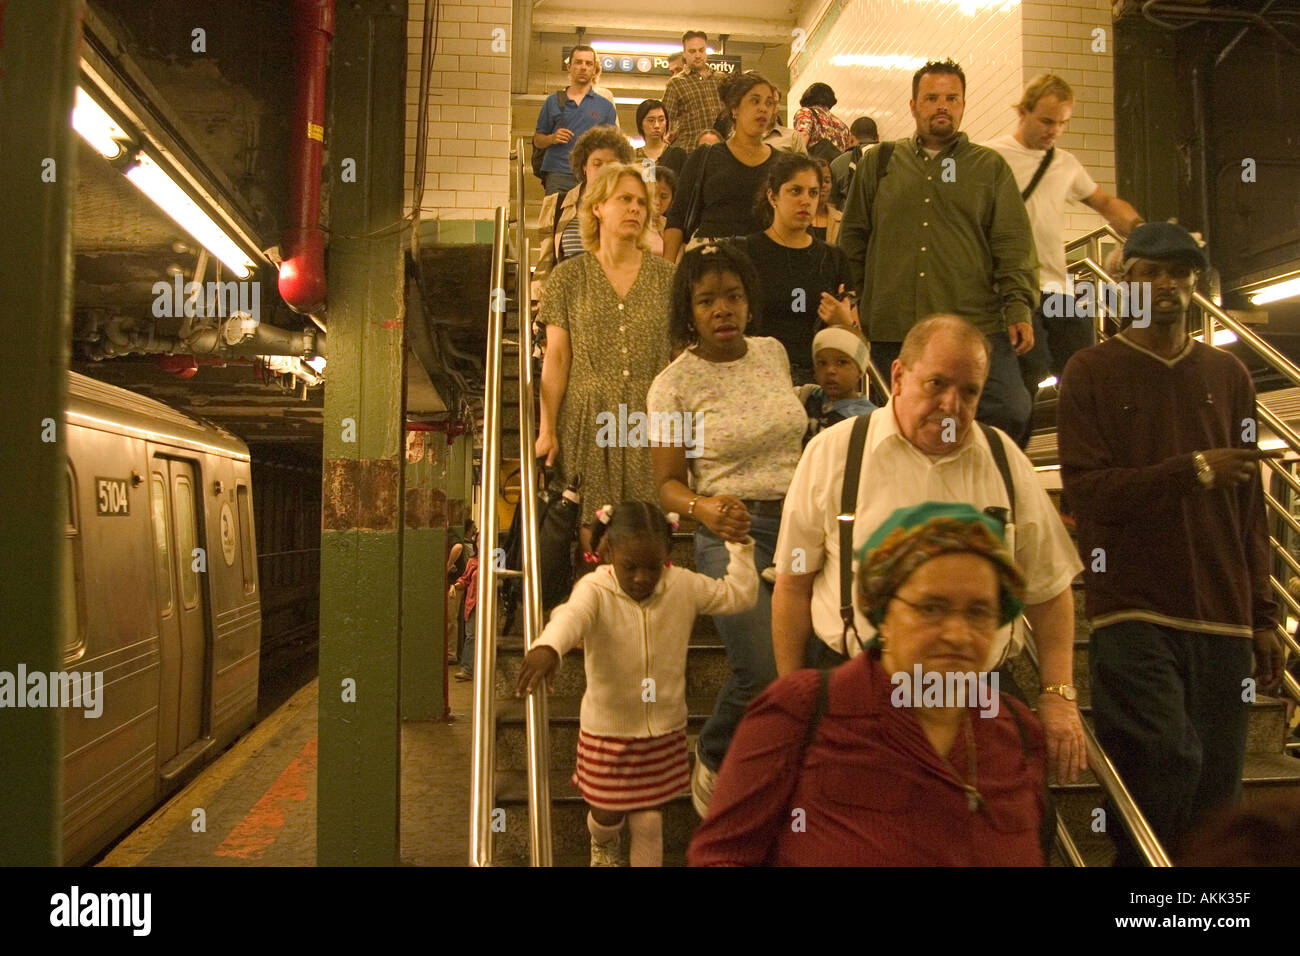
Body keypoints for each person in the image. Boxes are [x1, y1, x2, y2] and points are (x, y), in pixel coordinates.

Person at [771, 314, 1087, 783]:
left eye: (969, 392)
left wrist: (1058, 694)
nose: (951, 405)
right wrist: (790, 702)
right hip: (858, 691)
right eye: (937, 383)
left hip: (979, 695)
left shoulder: (1004, 459)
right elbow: (793, 588)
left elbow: (1049, 588)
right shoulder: (834, 453)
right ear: (897, 376)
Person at [1057, 221, 1284, 865]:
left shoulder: (1231, 374)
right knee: (1161, 767)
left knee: (1217, 801)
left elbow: (1249, 508)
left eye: (1180, 273)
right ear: (1120, 287)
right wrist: (1193, 470)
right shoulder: (1090, 371)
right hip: (1133, 611)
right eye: (1147, 273)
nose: (1166, 286)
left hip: (1222, 618)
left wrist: (1263, 614)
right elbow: (1089, 494)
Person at [689, 502, 1048, 866]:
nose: (957, 634)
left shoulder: (1016, 733)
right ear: (883, 613)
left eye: (978, 612)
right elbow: (720, 856)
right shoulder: (802, 711)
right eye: (931, 608)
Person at [647, 242, 808, 815]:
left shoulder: (773, 353)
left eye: (734, 297)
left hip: (800, 529)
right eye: (707, 300)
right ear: (688, 311)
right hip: (729, 534)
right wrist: (704, 510)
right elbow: (667, 483)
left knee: (820, 663)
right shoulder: (671, 385)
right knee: (762, 668)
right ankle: (715, 755)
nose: (723, 310)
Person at [516, 500, 757, 866]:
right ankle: (602, 842)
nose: (643, 577)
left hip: (663, 732)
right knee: (606, 813)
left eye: (653, 567)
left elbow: (739, 596)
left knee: (648, 818)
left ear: (667, 556)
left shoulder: (682, 585)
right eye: (631, 567)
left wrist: (740, 546)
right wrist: (548, 646)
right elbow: (571, 616)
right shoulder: (595, 589)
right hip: (608, 733)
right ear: (609, 551)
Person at [839, 59, 1039, 443]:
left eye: (951, 98)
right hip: (895, 327)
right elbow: (853, 239)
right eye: (931, 98)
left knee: (1011, 410)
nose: (942, 105)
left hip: (976, 325)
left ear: (963, 105)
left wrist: (1019, 305)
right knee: (898, 428)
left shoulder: (990, 167)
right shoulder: (878, 163)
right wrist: (854, 298)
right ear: (913, 106)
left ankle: (980, 493)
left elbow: (1012, 243)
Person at [535, 164, 676, 558]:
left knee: (648, 533)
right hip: (587, 417)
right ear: (597, 207)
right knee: (593, 538)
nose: (635, 209)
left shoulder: (668, 278)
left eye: (641, 202)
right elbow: (558, 359)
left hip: (649, 419)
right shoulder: (567, 277)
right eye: (624, 200)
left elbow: (680, 360)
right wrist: (547, 429)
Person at [986, 74, 1144, 409]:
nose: (1053, 131)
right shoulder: (990, 158)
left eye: (1062, 124)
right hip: (1013, 289)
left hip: (1058, 289)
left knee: (1085, 369)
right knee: (1031, 367)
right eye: (1046, 121)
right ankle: (1013, 451)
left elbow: (1104, 203)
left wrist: (1140, 230)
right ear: (1022, 112)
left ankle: (1085, 449)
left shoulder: (1064, 164)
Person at [735, 151, 856, 385]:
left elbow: (858, 342)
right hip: (756, 380)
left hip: (817, 384)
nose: (805, 201)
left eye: (813, 193)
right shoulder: (744, 252)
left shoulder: (833, 258)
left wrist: (843, 322)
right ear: (773, 196)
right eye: (795, 191)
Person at [662, 73, 780, 261]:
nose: (763, 109)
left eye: (769, 103)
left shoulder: (781, 163)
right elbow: (677, 215)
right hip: (710, 262)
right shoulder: (705, 156)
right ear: (735, 108)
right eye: (754, 101)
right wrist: (666, 270)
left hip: (763, 262)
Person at [531, 126, 634, 303]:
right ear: (584, 166)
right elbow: (545, 265)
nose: (604, 170)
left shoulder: (632, 207)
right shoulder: (557, 205)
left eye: (611, 164)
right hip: (568, 305)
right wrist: (537, 309)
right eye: (597, 163)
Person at [533, 45, 619, 196]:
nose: (583, 67)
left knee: (589, 220)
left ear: (594, 69)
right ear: (569, 66)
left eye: (588, 63)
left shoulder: (605, 106)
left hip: (592, 176)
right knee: (556, 219)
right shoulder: (552, 101)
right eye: (578, 62)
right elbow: (538, 140)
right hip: (557, 173)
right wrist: (551, 138)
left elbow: (613, 147)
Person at [797, 326, 877, 443]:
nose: (830, 370)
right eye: (822, 363)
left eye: (841, 362)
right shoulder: (806, 397)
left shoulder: (868, 418)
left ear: (860, 370)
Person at [662, 31, 722, 155]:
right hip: (691, 154)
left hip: (721, 153)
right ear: (684, 53)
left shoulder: (721, 80)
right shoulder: (675, 84)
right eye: (692, 51)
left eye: (701, 50)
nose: (698, 55)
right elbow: (665, 120)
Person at [792, 81, 856, 162]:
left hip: (817, 167)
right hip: (837, 170)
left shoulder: (806, 112)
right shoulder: (842, 125)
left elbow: (803, 137)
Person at [828, 116, 879, 211]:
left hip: (849, 220)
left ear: (851, 138)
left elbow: (831, 206)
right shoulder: (891, 157)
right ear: (877, 137)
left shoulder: (837, 163)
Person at [633, 99, 687, 177]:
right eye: (651, 120)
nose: (657, 125)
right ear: (641, 124)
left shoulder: (678, 156)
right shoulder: (632, 157)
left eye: (661, 120)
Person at [450, 534, 479, 681]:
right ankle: (468, 669)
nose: (481, 543)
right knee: (471, 636)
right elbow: (465, 579)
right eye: (479, 541)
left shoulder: (497, 556)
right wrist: (456, 586)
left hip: (490, 604)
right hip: (473, 602)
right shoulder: (472, 561)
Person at [643, 165, 676, 258]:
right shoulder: (631, 223)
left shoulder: (671, 227)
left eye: (663, 196)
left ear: (671, 201)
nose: (657, 202)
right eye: (652, 194)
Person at [810, 157, 833, 242]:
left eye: (827, 181)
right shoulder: (796, 218)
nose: (823, 185)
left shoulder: (841, 220)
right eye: (818, 181)